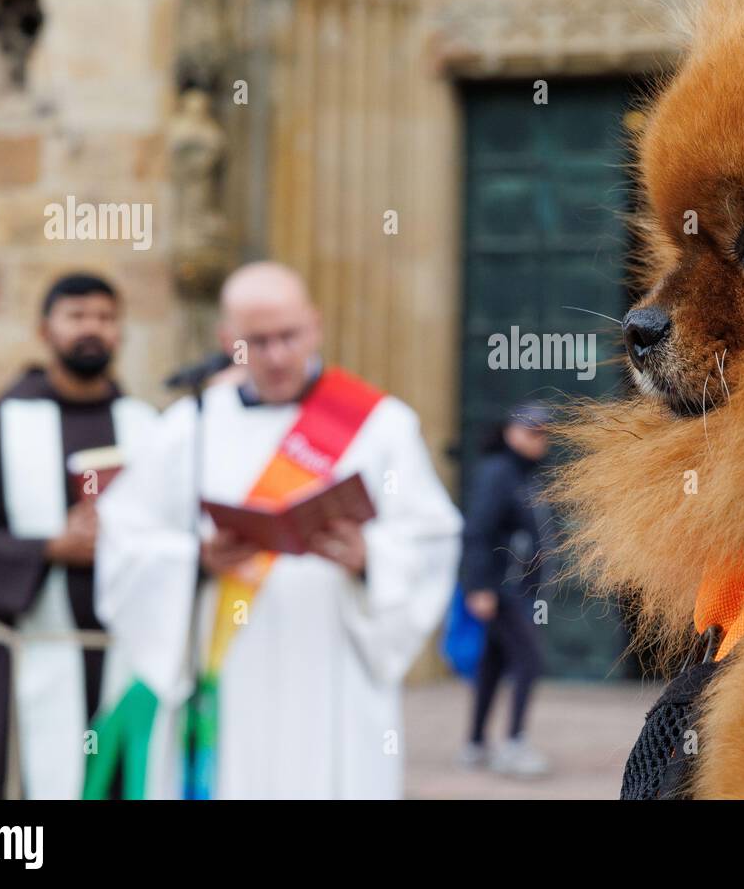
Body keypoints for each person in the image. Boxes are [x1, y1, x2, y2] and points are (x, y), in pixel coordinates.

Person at [92, 261, 461, 799]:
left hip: (333, 662)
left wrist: (369, 557)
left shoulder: (380, 426)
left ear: (314, 325)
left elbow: (431, 539)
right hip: (226, 668)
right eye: (256, 341)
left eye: (289, 336)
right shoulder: (188, 428)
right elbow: (126, 538)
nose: (277, 355)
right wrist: (195, 557)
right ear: (227, 341)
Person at [0, 273, 157, 799]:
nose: (92, 329)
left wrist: (125, 542)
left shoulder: (150, 428)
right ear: (46, 329)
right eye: (77, 316)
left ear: (120, 333)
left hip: (129, 654)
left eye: (105, 319)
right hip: (39, 648)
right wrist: (49, 549)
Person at [460, 403, 553, 777]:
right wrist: (479, 586)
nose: (539, 440)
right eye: (532, 431)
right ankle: (514, 744)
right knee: (528, 661)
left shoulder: (527, 475)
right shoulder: (499, 472)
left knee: (493, 664)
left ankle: (475, 744)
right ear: (510, 432)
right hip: (503, 588)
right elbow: (478, 531)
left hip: (518, 589)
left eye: (544, 433)